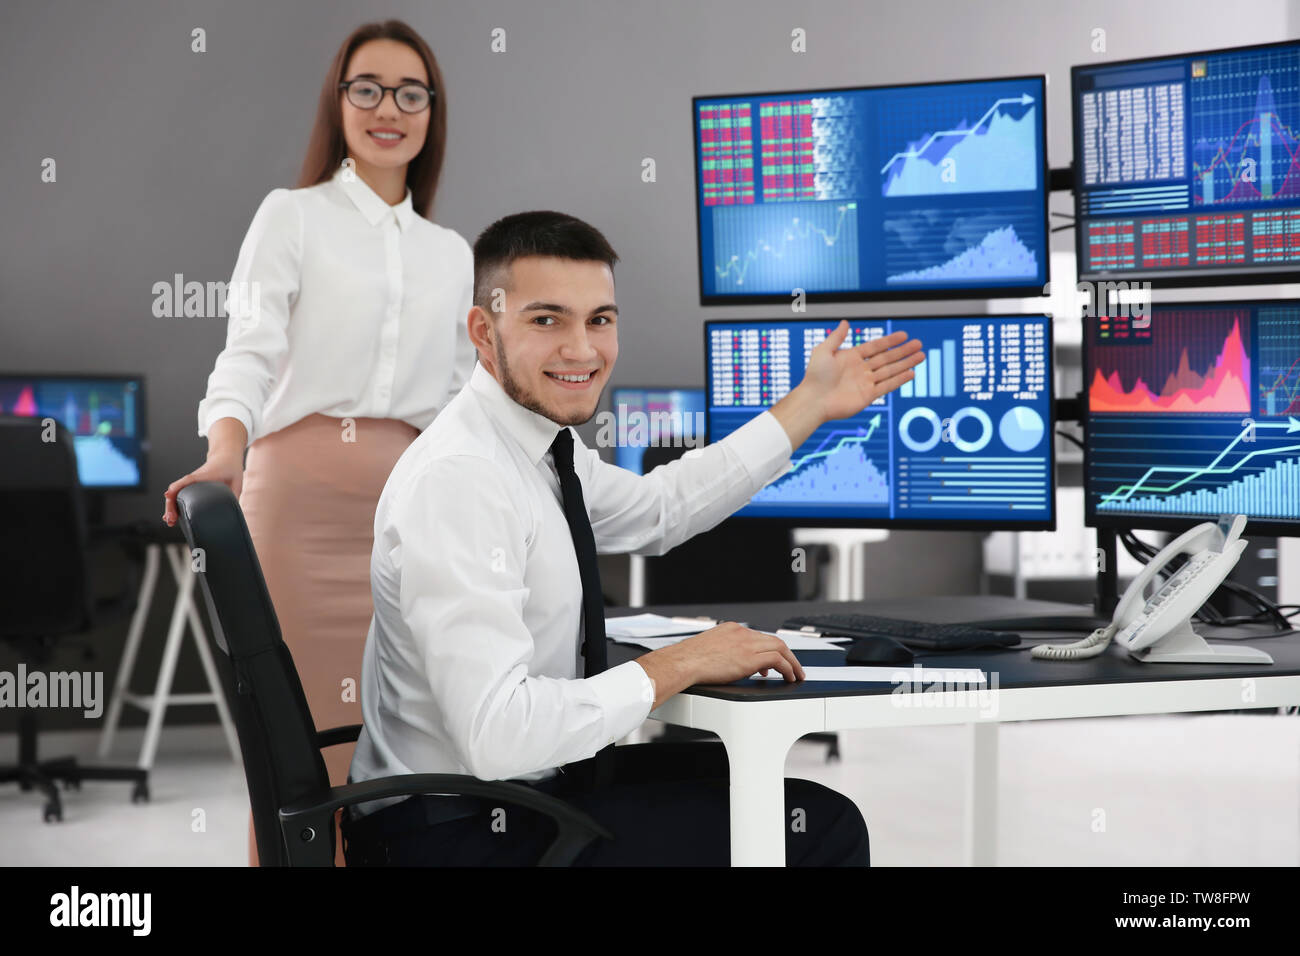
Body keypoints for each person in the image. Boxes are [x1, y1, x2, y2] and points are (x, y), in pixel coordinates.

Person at [342, 210, 925, 866]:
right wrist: (678, 664)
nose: (582, 350)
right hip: (453, 833)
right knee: (818, 829)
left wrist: (811, 403)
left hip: (508, 795)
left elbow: (660, 510)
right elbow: (496, 735)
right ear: (484, 331)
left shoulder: (536, 444)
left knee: (779, 796)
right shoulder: (464, 477)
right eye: (546, 319)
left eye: (600, 319)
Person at [161, 20, 475, 865]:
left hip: (408, 510)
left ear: (431, 113)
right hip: (295, 507)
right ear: (338, 104)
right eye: (366, 88)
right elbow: (249, 352)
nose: (389, 109)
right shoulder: (291, 217)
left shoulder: (451, 255)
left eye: (411, 93)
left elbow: (456, 403)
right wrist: (227, 453)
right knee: (295, 755)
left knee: (403, 748)